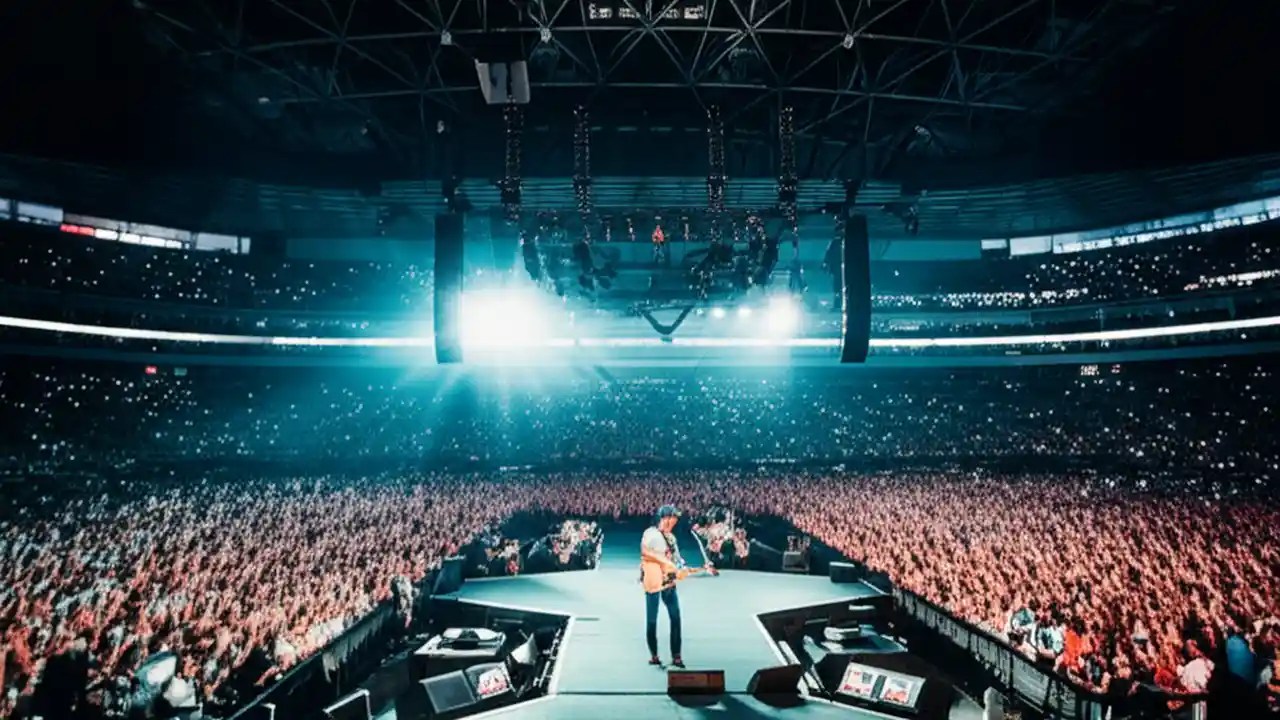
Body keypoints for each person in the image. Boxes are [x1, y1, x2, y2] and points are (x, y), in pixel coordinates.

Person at [640, 505, 687, 668]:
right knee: (652, 619)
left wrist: (681, 566)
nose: (674, 522)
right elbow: (645, 555)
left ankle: (676, 655)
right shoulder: (650, 534)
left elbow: (677, 558)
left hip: (668, 581)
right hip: (654, 580)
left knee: (675, 617)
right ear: (664, 518)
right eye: (672, 518)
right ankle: (654, 654)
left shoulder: (671, 538)